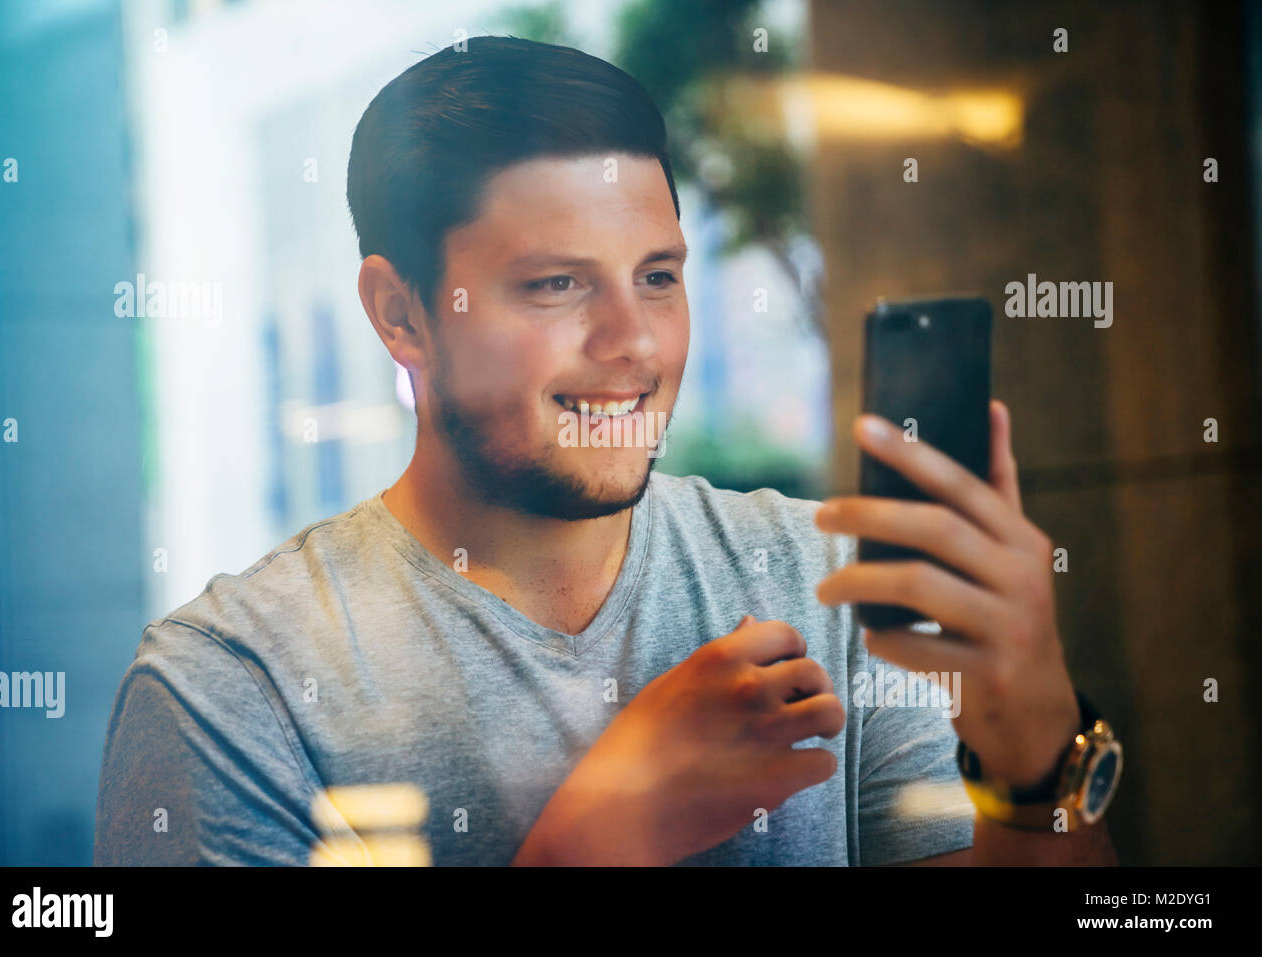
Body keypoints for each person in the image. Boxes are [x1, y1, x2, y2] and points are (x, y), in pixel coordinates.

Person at [94, 36, 1117, 866]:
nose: (634, 345)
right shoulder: (231, 686)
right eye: (556, 285)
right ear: (401, 314)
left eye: (658, 276)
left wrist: (1032, 745)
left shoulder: (828, 580)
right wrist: (602, 836)